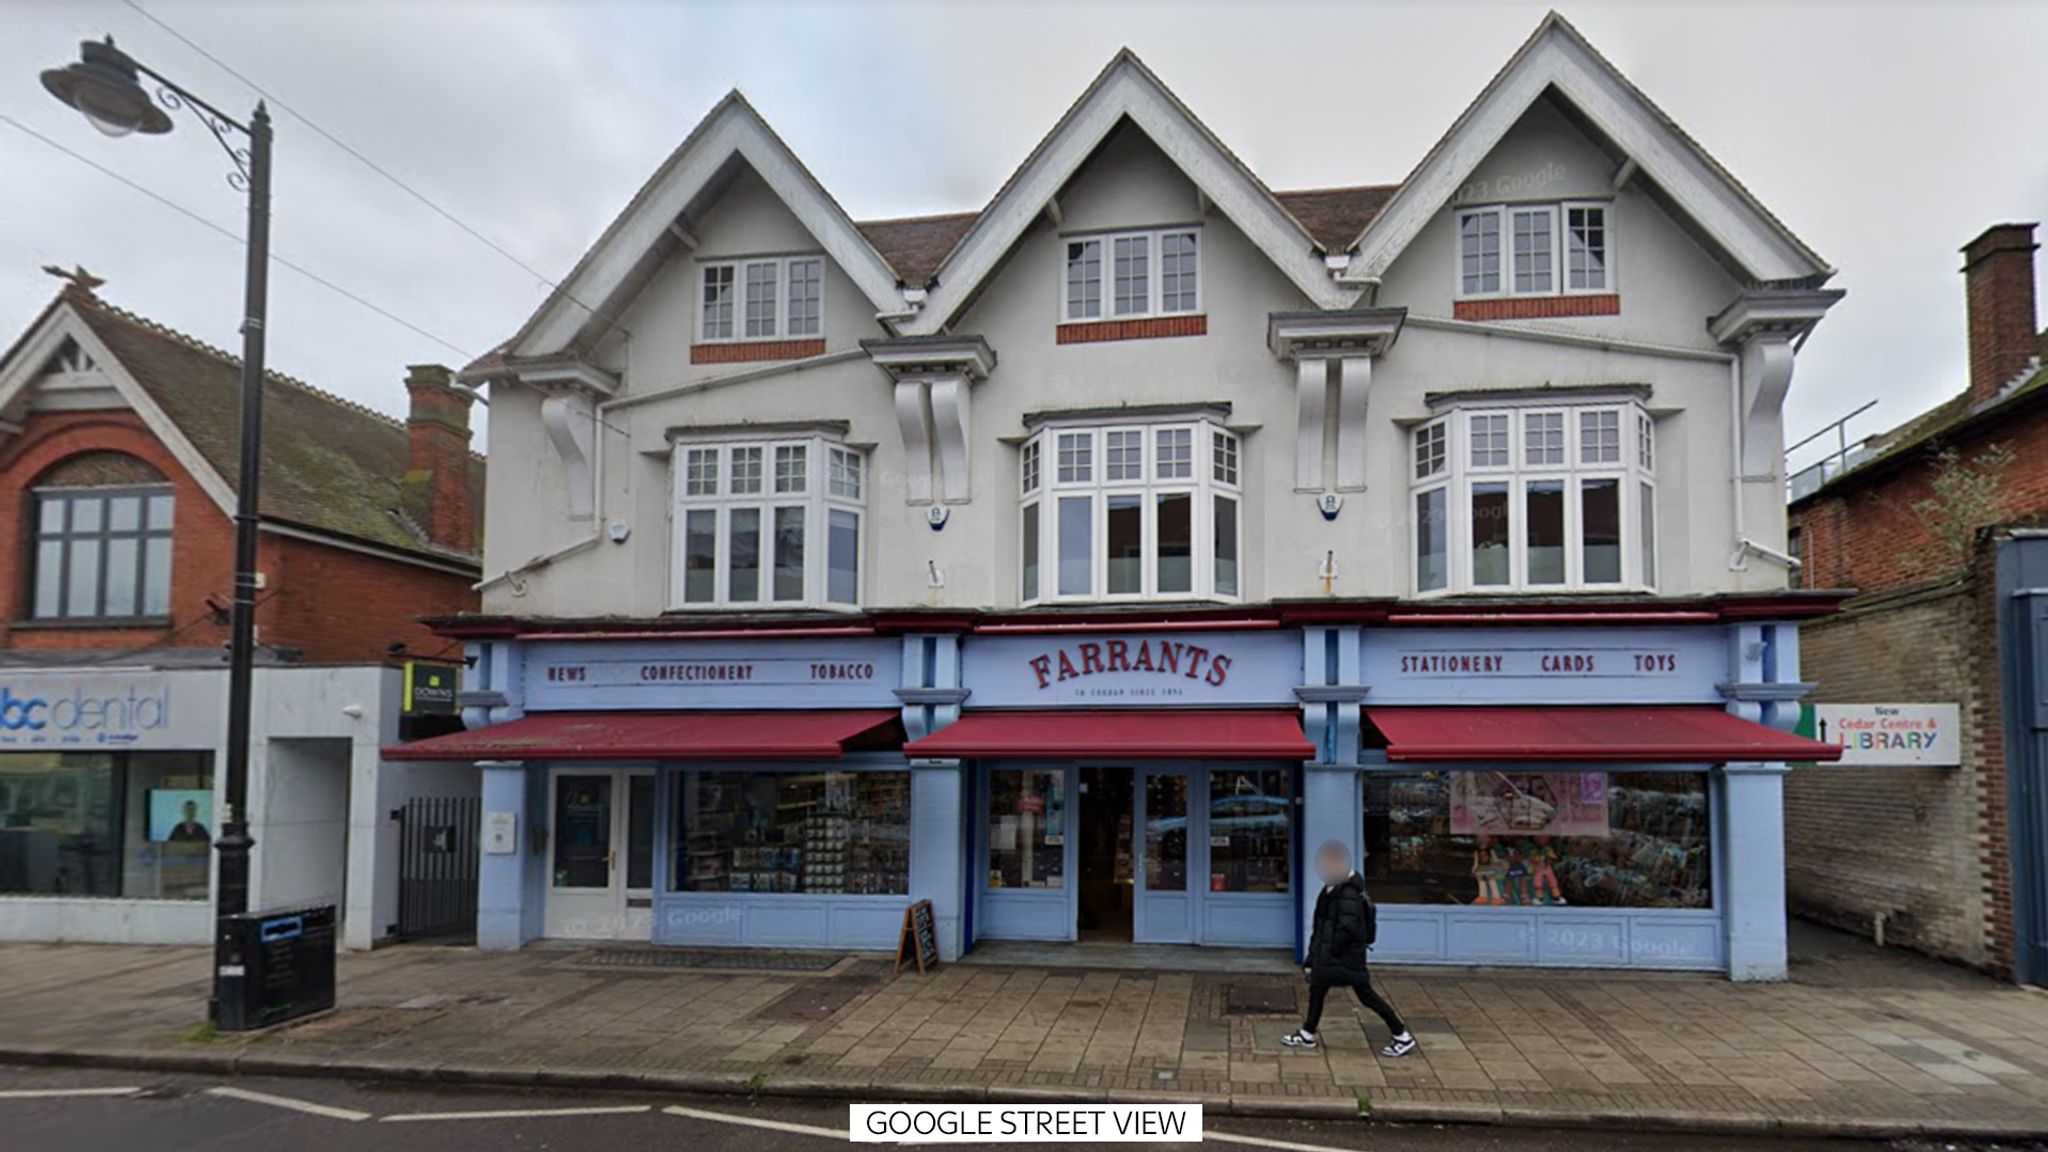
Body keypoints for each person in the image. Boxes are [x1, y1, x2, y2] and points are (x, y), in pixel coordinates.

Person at [1281, 839, 1416, 1057]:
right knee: (1317, 989)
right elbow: (1323, 923)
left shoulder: (1348, 892)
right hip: (1330, 955)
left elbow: (1347, 927)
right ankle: (1307, 1032)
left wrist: (1330, 951)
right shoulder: (1334, 887)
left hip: (1344, 957)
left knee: (1366, 996)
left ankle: (1401, 1034)